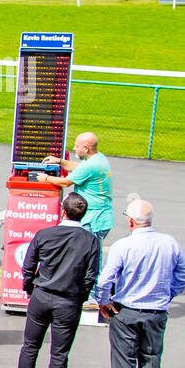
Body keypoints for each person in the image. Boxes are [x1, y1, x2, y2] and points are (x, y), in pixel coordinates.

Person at [93, 199, 185, 368]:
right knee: (151, 358)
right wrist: (168, 294)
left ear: (130, 221)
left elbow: (105, 279)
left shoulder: (123, 246)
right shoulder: (169, 243)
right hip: (156, 311)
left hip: (127, 311)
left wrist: (103, 302)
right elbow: (181, 274)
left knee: (125, 359)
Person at [12, 193, 101, 368]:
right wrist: (80, 297)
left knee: (30, 346)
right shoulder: (90, 240)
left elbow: (28, 265)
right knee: (59, 354)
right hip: (68, 300)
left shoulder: (45, 234)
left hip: (41, 296)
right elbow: (91, 276)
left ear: (63, 210)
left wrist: (29, 288)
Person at [40, 132, 113, 307]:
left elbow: (65, 182)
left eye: (77, 146)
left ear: (86, 148)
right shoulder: (98, 160)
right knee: (90, 256)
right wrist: (59, 161)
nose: (74, 148)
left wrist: (46, 178)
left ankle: (95, 297)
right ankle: (92, 293)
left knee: (91, 258)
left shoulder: (91, 166)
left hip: (94, 219)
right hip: (101, 217)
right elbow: (79, 167)